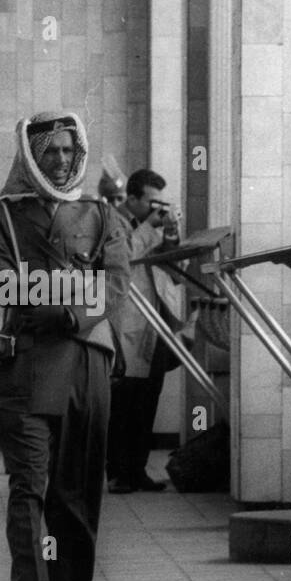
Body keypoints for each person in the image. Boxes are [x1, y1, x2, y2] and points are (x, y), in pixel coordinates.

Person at [0, 111, 130, 581]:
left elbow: (114, 289)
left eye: (68, 151)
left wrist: (64, 307)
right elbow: (8, 288)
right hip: (26, 371)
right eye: (50, 152)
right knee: (29, 486)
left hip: (88, 364)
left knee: (76, 490)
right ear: (30, 156)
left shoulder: (102, 215)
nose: (61, 160)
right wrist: (76, 288)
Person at [106, 168, 185, 494]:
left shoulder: (150, 225)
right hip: (128, 323)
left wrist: (171, 235)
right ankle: (118, 473)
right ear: (134, 198)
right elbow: (120, 258)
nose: (156, 210)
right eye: (151, 203)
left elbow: (176, 269)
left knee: (147, 401)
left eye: (160, 205)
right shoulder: (113, 220)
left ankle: (136, 469)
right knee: (123, 404)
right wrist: (150, 228)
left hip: (156, 319)